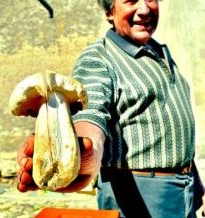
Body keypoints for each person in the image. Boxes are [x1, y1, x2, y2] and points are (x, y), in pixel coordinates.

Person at [17, 0, 205, 217]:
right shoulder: (99, 57)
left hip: (185, 190)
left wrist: (195, 183)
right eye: (131, 0)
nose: (144, 9)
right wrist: (85, 152)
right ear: (109, 11)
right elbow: (90, 112)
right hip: (137, 195)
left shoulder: (160, 52)